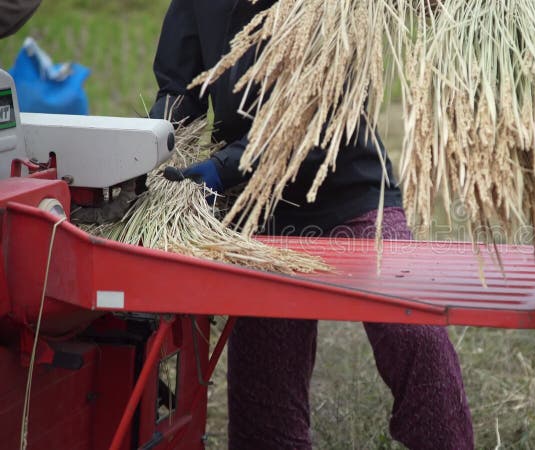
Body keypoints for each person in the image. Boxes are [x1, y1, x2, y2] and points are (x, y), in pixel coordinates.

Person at [149, 1, 473, 449]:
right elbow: (177, 91)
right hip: (260, 211)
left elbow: (318, 116)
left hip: (349, 192)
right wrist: (155, 150)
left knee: (413, 331)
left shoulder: (331, 7)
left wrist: (224, 166)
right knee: (266, 405)